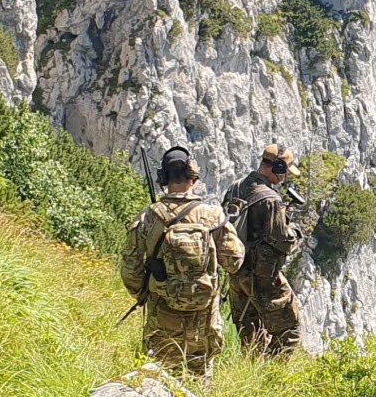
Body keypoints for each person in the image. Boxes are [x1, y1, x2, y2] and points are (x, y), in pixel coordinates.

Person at [119, 146, 244, 375]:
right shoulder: (213, 216)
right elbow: (234, 262)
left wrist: (146, 293)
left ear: (163, 178)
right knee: (200, 383)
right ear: (193, 176)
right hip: (204, 324)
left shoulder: (148, 217)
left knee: (160, 380)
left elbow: (130, 270)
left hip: (162, 319)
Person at [224, 143, 304, 355]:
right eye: (285, 170)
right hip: (262, 278)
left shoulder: (235, 188)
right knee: (290, 329)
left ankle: (251, 376)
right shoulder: (270, 199)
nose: (286, 176)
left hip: (236, 275)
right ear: (277, 167)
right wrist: (295, 230)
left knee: (251, 335)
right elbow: (282, 241)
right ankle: (271, 376)